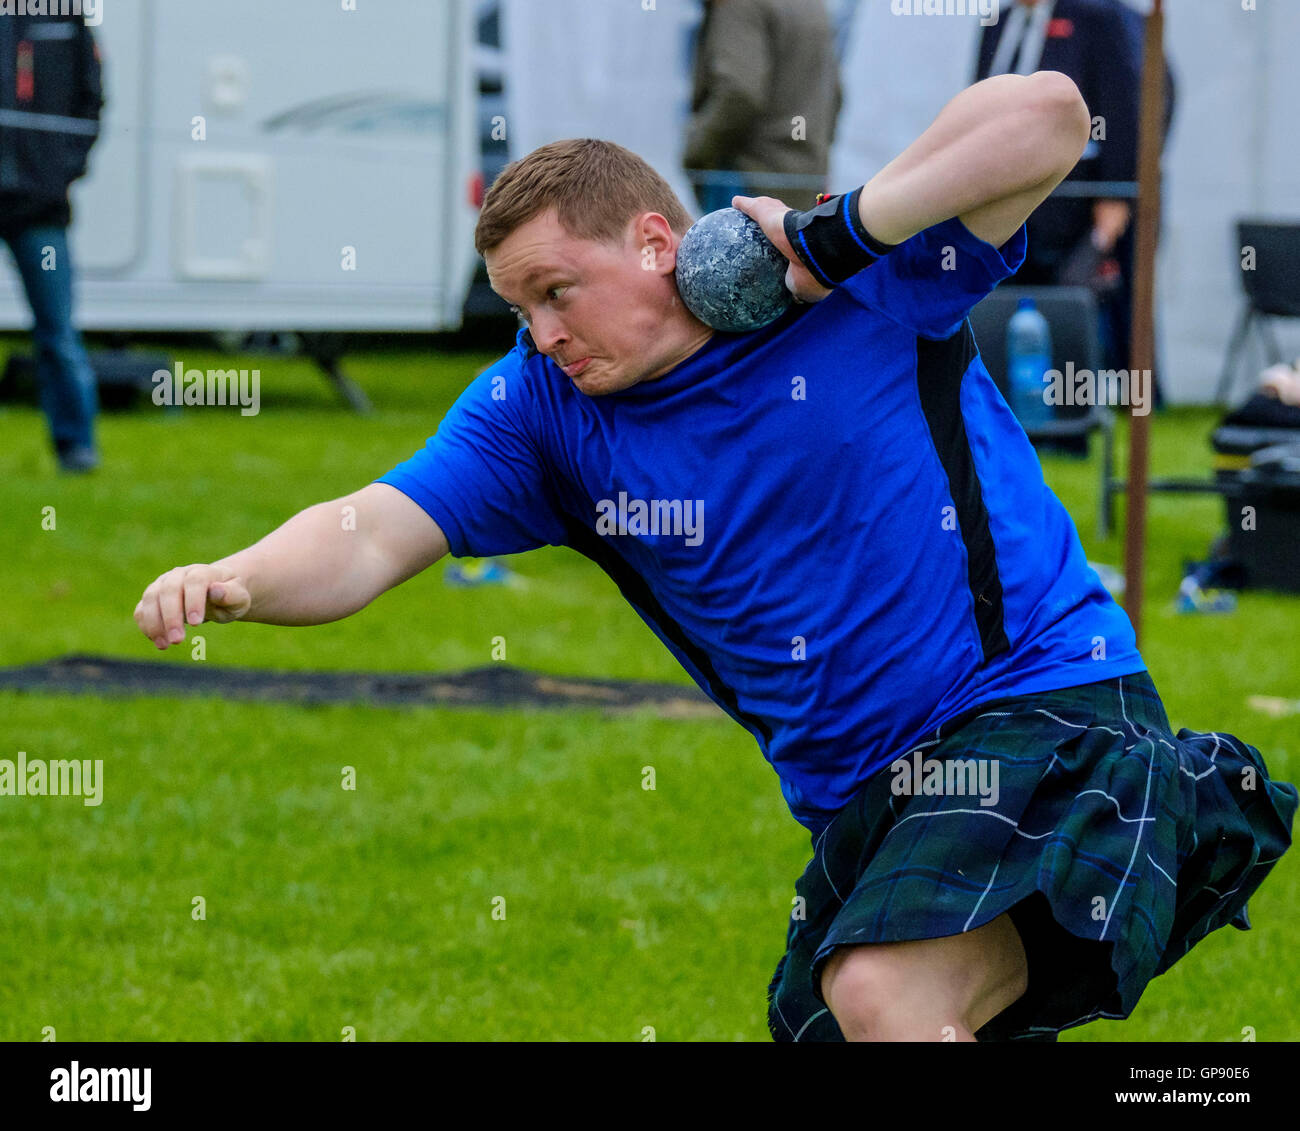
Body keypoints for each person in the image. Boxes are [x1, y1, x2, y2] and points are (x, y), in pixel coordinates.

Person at [133, 74, 1296, 1042]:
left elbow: (1047, 113)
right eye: (516, 309)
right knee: (867, 1022)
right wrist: (237, 580)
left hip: (1044, 706)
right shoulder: (537, 415)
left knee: (885, 998)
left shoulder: (854, 287)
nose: (542, 334)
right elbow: (374, 528)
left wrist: (841, 236)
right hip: (861, 802)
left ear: (655, 243)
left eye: (556, 292)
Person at [975, 0, 1175, 396]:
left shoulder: (1096, 16)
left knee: (1082, 297)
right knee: (1015, 298)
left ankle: (1097, 402)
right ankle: (1018, 397)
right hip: (1011, 197)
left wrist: (1116, 194)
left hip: (1080, 199)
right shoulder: (998, 22)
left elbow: (1123, 107)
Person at [0, 9, 105, 473]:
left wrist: (61, 169)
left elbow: (92, 97)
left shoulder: (66, 15)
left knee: (57, 332)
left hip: (40, 206)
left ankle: (76, 448)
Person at [683, 0, 841, 213]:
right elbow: (835, 93)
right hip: (805, 182)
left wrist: (695, 150)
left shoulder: (740, 5)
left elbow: (739, 94)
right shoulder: (813, 5)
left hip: (744, 179)